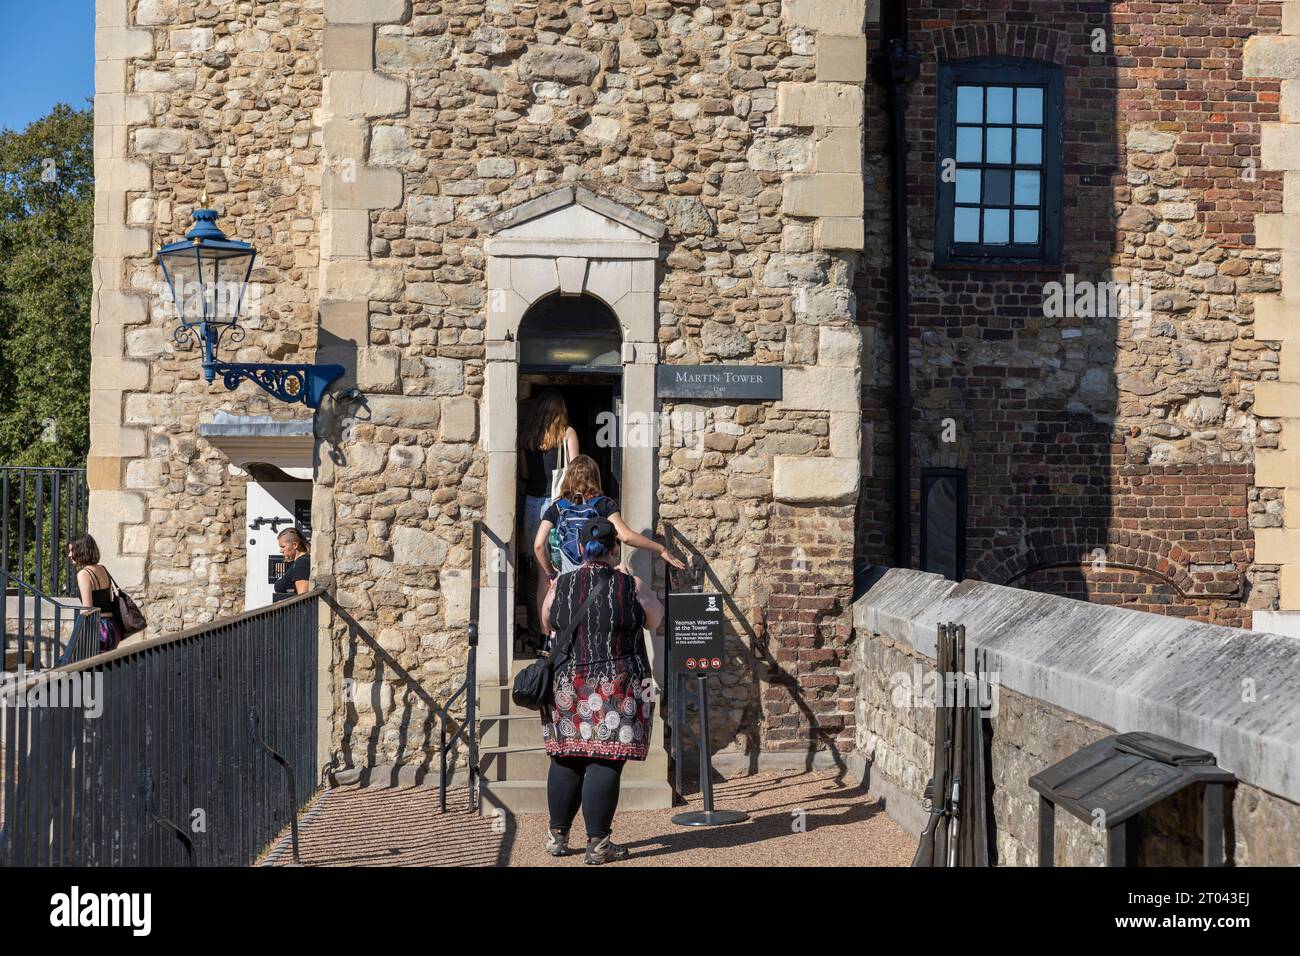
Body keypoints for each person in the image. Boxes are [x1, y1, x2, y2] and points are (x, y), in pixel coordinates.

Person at [540, 516, 664, 864]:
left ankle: (557, 836)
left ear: (580, 548)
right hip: (617, 685)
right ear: (614, 549)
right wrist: (629, 582)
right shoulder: (631, 584)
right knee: (604, 759)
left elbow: (546, 622)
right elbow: (655, 620)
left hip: (567, 684)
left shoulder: (561, 584)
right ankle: (597, 844)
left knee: (566, 757)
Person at [533, 454, 685, 581]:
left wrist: (551, 573)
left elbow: (539, 545)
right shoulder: (603, 504)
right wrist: (661, 549)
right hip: (599, 581)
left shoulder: (557, 507)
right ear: (595, 477)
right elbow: (626, 537)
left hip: (568, 583)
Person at [520, 389, 580, 635]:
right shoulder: (567, 433)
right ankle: (562, 629)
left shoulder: (527, 437)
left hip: (533, 503)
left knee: (541, 572)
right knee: (564, 568)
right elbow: (576, 472)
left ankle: (541, 633)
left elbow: (524, 473)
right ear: (561, 412)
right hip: (558, 507)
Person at [67, 534, 122, 653]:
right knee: (102, 669)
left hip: (99, 629)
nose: (69, 555)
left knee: (73, 665)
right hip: (112, 628)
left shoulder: (84, 574)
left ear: (82, 550)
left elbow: (88, 609)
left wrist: (78, 634)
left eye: (72, 550)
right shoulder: (102, 569)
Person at [272, 527, 311, 600]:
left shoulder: (301, 564)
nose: (281, 551)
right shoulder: (297, 562)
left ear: (295, 545)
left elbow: (303, 598)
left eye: (283, 547)